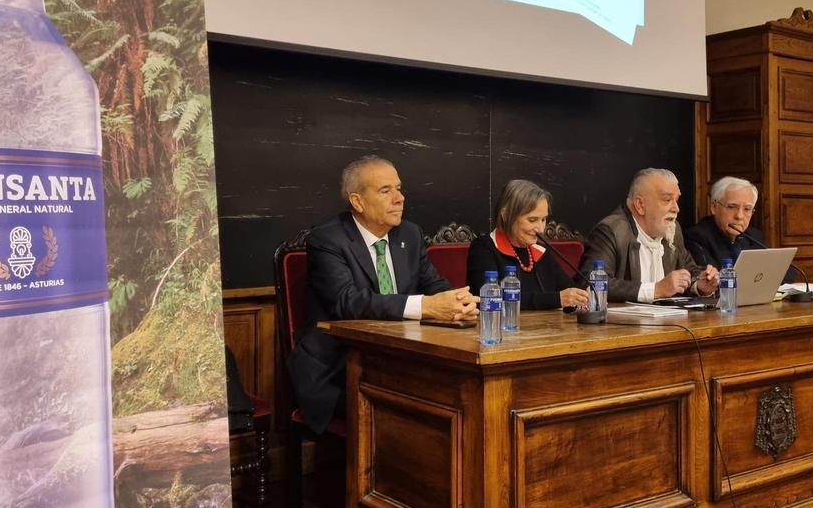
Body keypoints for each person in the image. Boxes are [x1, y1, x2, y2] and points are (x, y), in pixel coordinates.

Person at [287, 156, 479, 434]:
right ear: (357, 201)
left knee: (458, 398)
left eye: (399, 189)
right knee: (420, 408)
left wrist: (458, 303)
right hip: (339, 371)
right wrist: (426, 306)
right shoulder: (328, 240)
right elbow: (348, 302)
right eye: (385, 191)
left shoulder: (410, 234)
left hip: (402, 361)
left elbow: (435, 285)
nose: (399, 198)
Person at [581, 168, 719, 302]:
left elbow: (689, 270)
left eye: (676, 200)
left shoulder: (672, 229)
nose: (676, 208)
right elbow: (590, 282)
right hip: (623, 323)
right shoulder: (611, 230)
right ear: (640, 205)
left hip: (668, 322)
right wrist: (656, 290)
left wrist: (700, 284)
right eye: (667, 200)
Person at [466, 179, 590, 310]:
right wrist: (557, 299)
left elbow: (568, 290)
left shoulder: (540, 251)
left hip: (546, 328)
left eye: (543, 219)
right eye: (532, 220)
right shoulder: (484, 248)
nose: (541, 229)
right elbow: (490, 298)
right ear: (506, 215)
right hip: (501, 328)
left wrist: (584, 294)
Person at [684, 176, 794, 283]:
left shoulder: (754, 236)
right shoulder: (697, 236)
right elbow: (712, 279)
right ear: (714, 207)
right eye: (732, 207)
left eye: (747, 209)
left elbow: (788, 273)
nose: (739, 216)